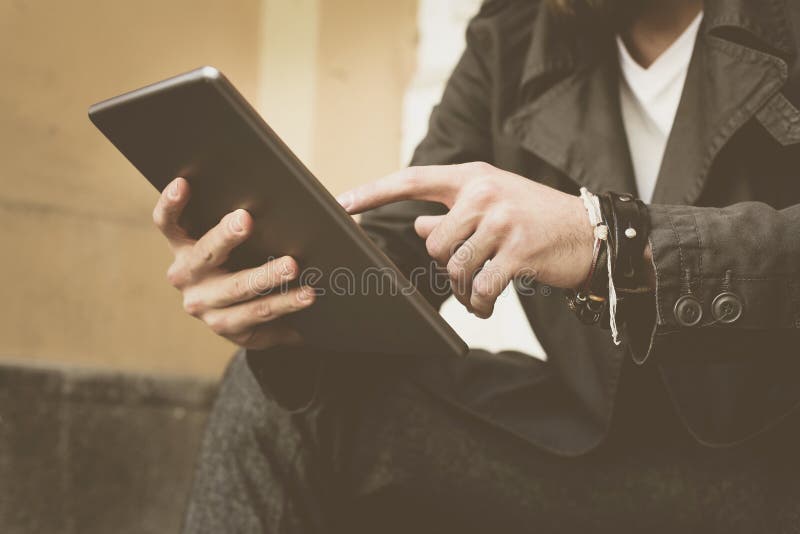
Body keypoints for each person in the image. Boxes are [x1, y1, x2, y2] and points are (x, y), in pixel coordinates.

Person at [154, 0, 800, 531]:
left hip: (774, 462)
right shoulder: (514, 33)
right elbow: (411, 241)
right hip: (591, 452)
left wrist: (614, 241)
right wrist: (286, 289)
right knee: (287, 393)